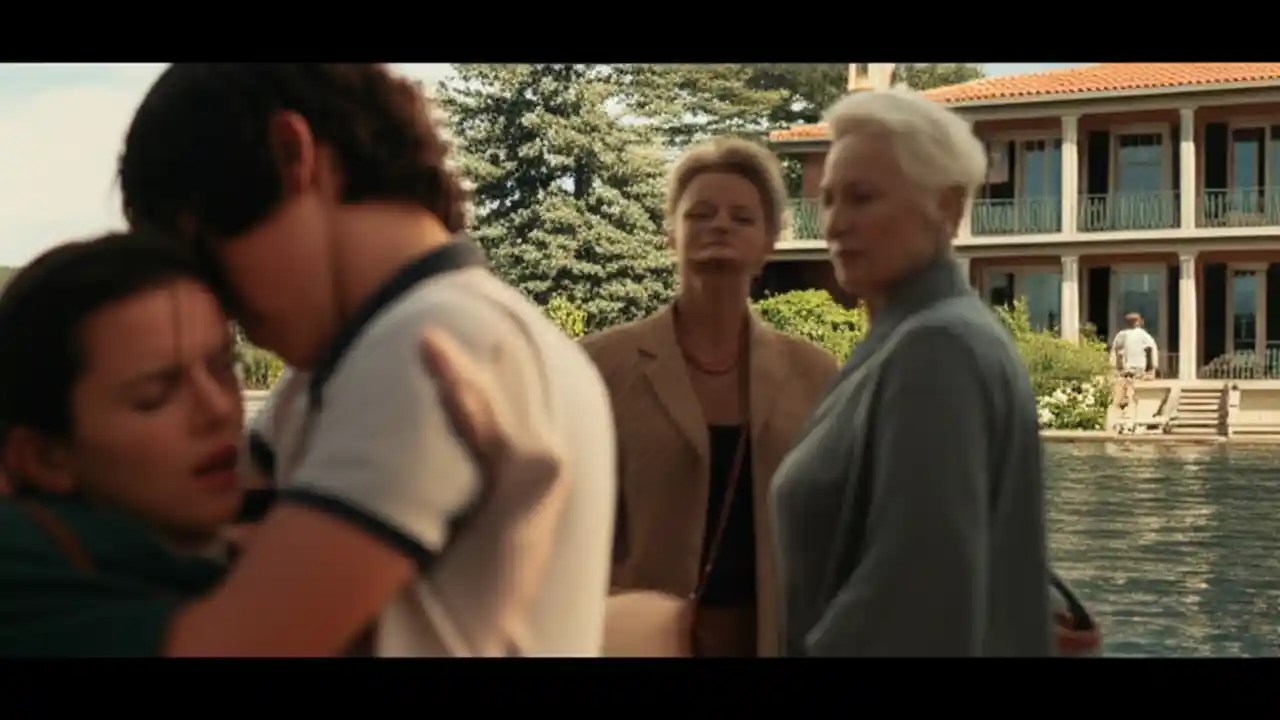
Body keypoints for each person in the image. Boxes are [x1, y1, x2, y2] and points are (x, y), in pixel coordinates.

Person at [115, 63, 617, 655]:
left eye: (203, 257)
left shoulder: (431, 346)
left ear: (289, 154)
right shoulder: (351, 362)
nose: (215, 305)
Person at [0, 234, 570, 657]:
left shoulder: (207, 561)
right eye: (155, 395)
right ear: (46, 457)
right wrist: (520, 515)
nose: (219, 408)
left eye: (222, 366)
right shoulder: (23, 570)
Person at [768, 89, 1053, 657]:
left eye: (862, 197)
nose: (836, 222)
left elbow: (914, 607)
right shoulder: (910, 339)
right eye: (828, 200)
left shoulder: (937, 348)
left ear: (947, 208)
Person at [581, 137, 838, 657]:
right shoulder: (600, 366)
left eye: (742, 217)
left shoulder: (814, 372)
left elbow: (836, 530)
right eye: (700, 213)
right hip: (633, 643)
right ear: (670, 234)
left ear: (770, 242)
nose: (720, 224)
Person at [1111, 313, 1157, 430]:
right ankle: (1128, 420)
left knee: (1128, 394)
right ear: (1139, 322)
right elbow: (1152, 349)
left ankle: (1127, 420)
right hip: (1134, 369)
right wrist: (1152, 369)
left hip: (1131, 370)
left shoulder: (1123, 335)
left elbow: (1115, 351)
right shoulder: (1140, 335)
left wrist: (1115, 368)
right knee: (1129, 395)